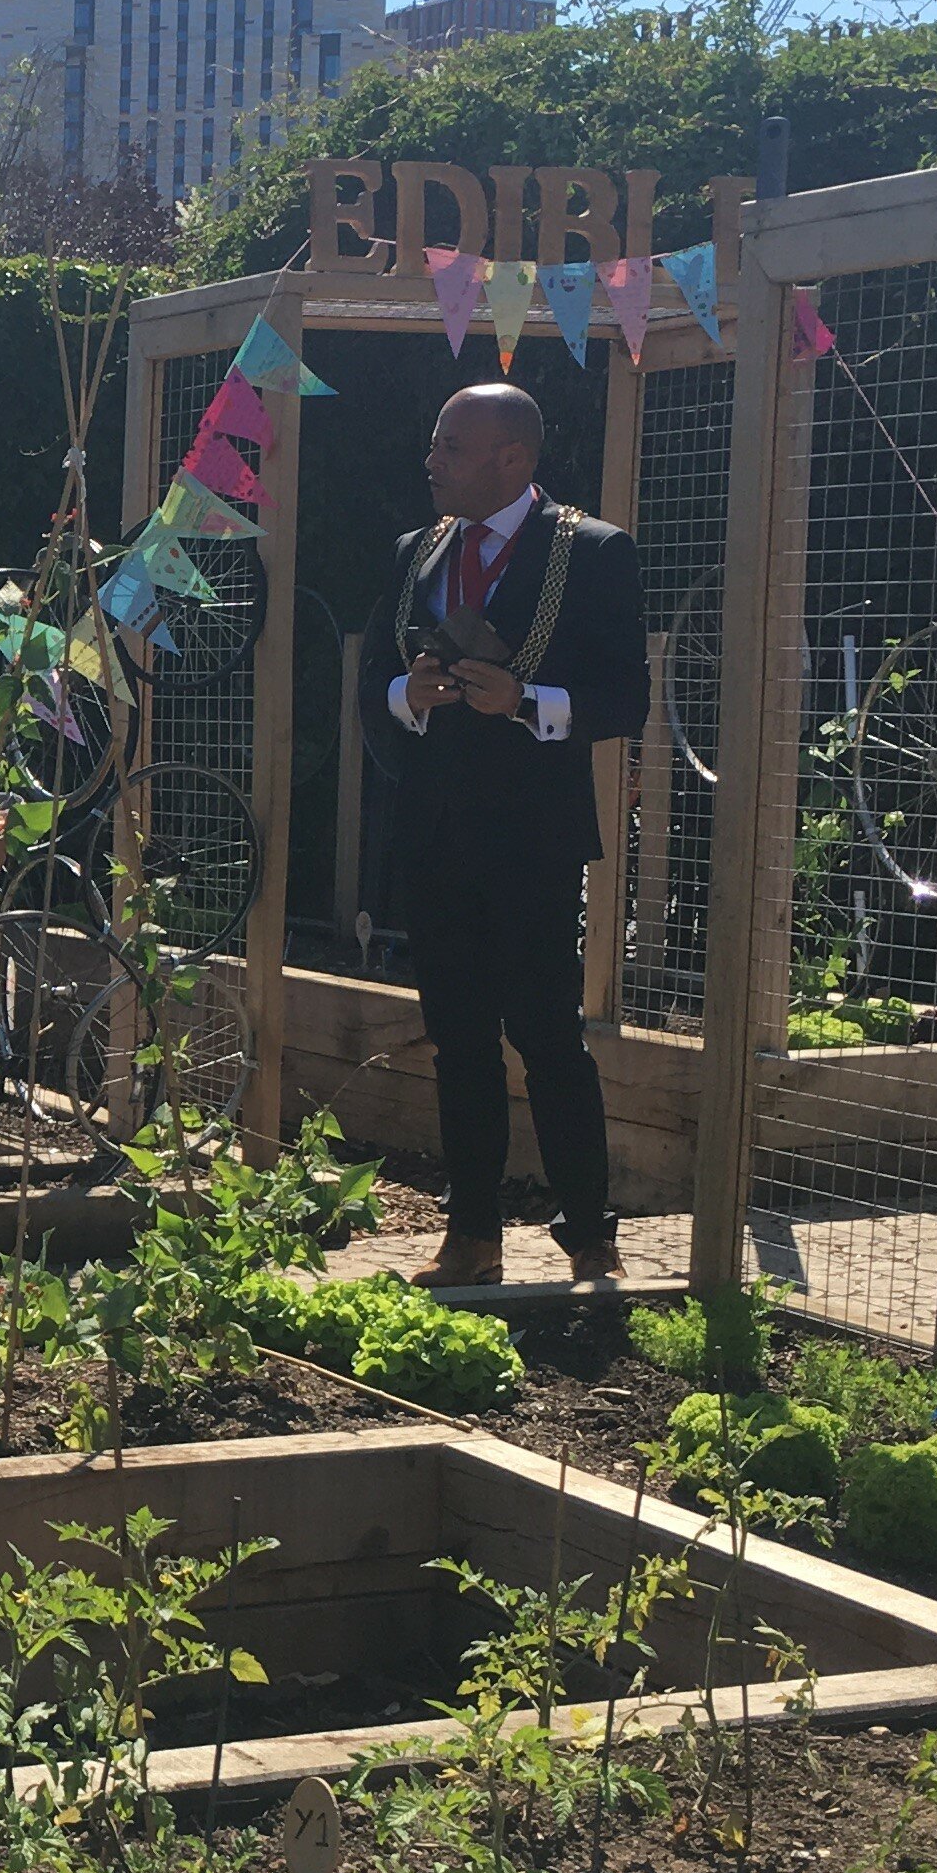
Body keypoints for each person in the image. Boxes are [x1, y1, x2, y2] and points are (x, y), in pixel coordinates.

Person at [360, 381, 649, 1287]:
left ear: (512, 459)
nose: (432, 461)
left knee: (547, 1034)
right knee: (458, 1040)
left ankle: (589, 1232)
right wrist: (412, 695)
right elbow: (376, 682)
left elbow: (626, 697)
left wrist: (526, 702)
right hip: (436, 831)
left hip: (532, 840)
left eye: (452, 447)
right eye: (437, 444)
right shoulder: (418, 550)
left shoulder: (594, 551)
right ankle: (471, 1232)